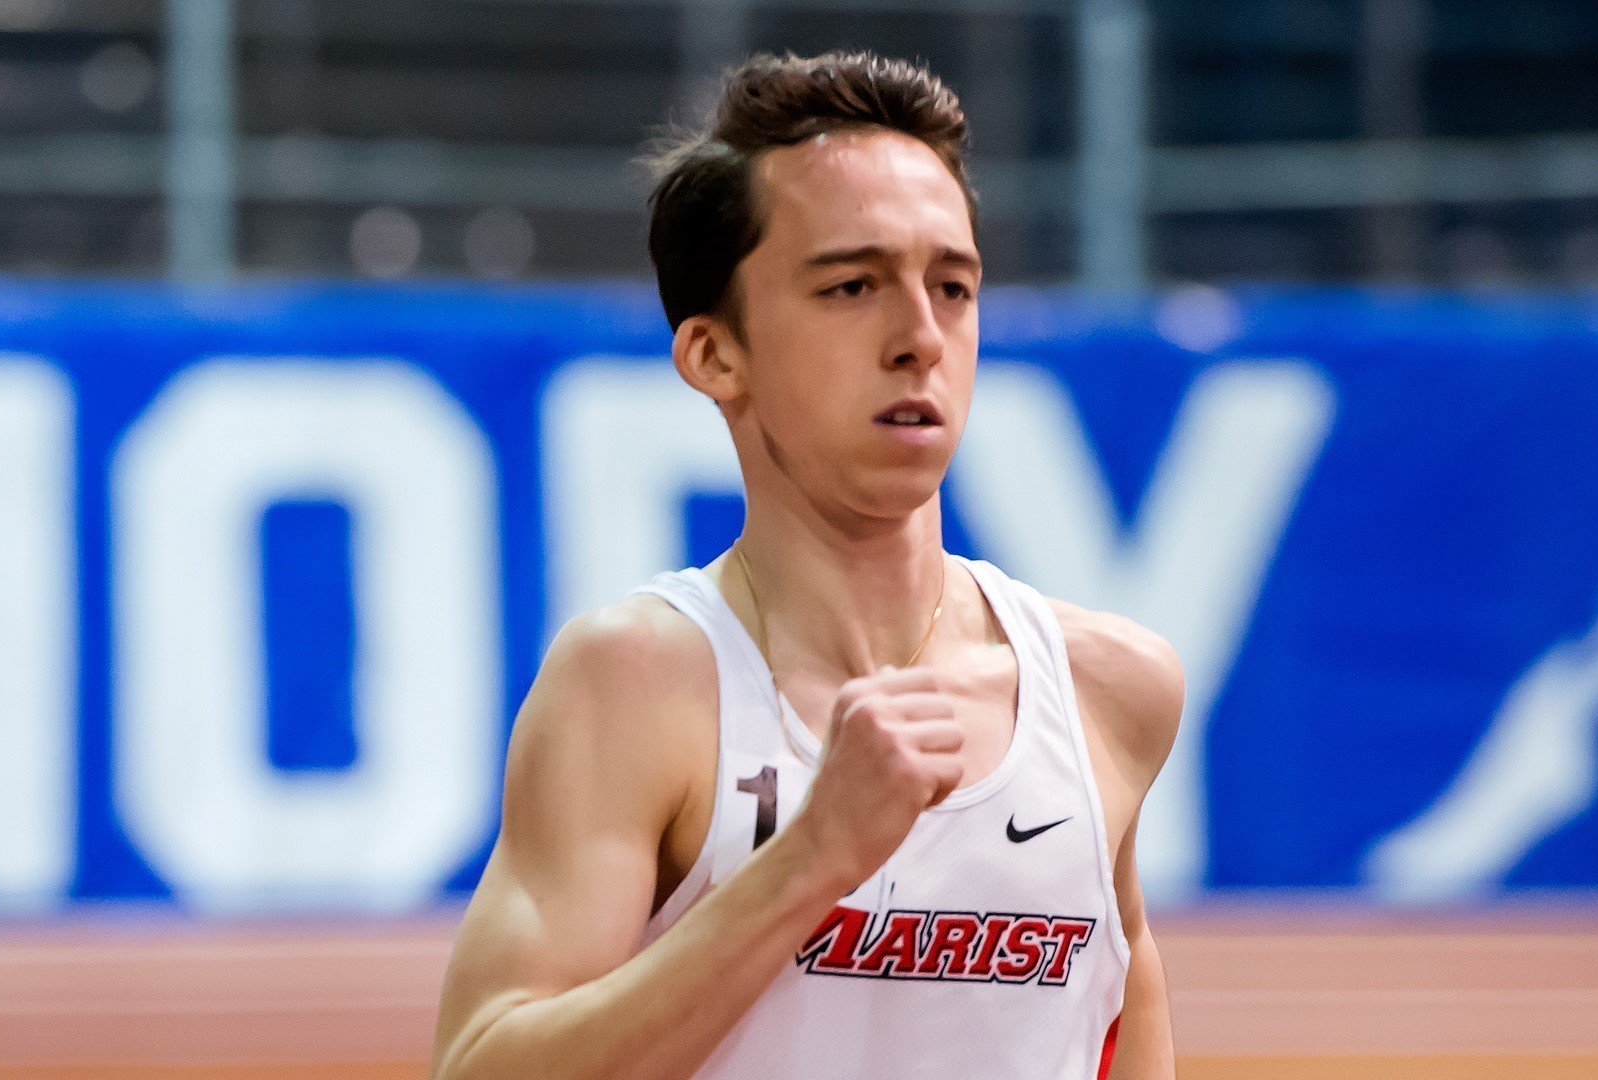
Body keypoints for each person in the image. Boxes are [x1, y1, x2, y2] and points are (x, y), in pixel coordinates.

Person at [431, 50, 1183, 1079]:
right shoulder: (637, 685)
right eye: (852, 285)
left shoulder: (1111, 690)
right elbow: (482, 1064)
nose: (921, 336)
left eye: (952, 286)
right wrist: (814, 858)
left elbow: (1120, 1038)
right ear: (713, 355)